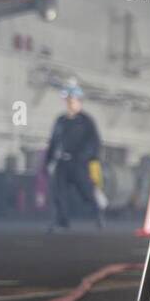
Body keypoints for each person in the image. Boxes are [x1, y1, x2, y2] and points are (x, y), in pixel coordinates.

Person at [44, 80, 103, 231]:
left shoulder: (86, 121)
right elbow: (53, 142)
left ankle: (97, 216)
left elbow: (94, 142)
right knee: (58, 192)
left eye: (73, 100)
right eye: (68, 100)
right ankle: (61, 222)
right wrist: (47, 162)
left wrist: (89, 157)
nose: (70, 103)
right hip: (62, 162)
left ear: (79, 102)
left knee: (86, 192)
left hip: (80, 163)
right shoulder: (60, 121)